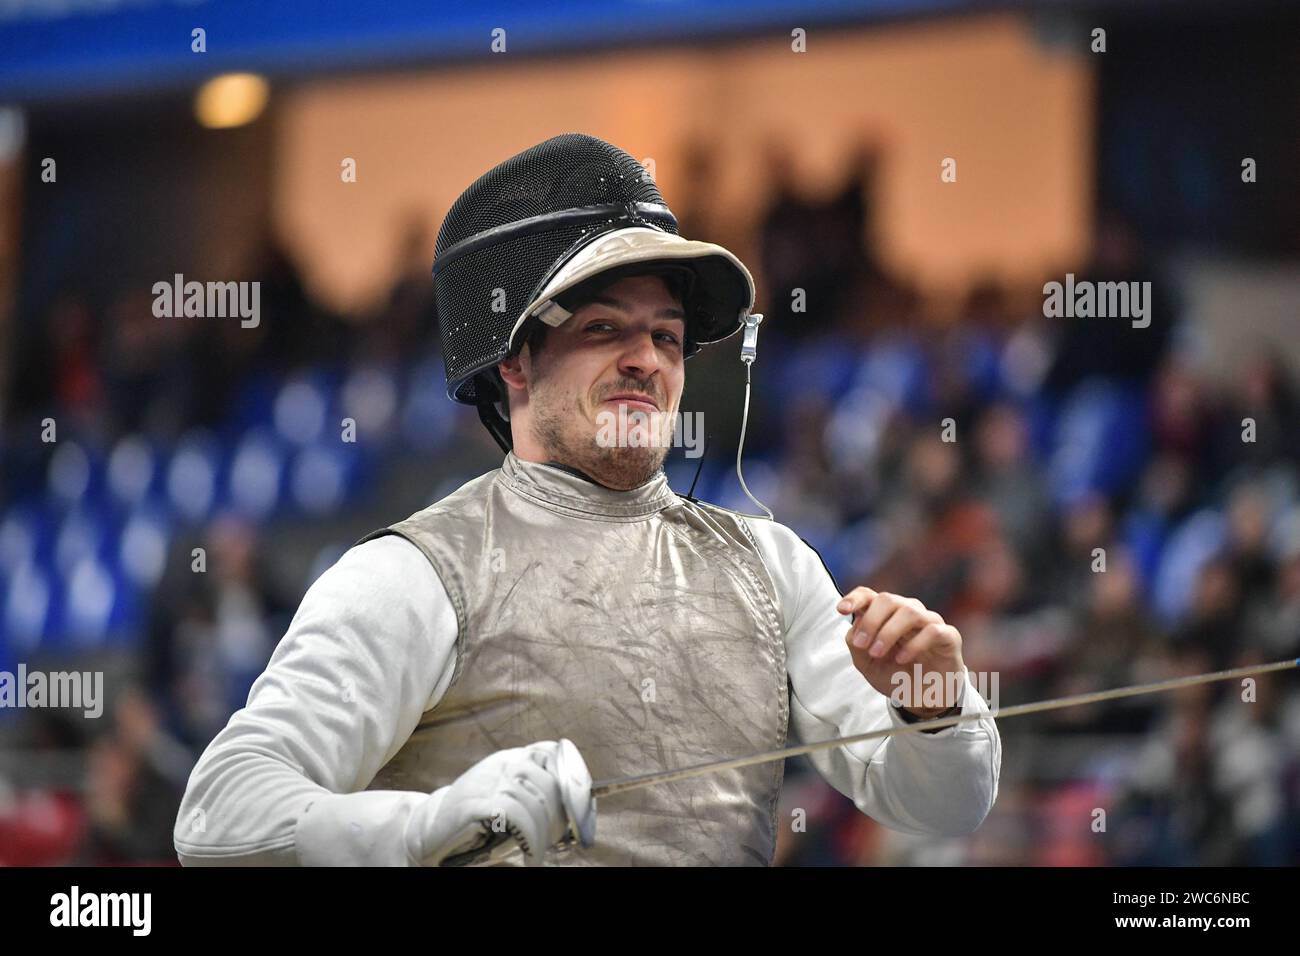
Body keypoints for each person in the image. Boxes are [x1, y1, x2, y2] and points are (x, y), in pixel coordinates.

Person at [174, 133, 1001, 866]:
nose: (647, 358)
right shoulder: (416, 575)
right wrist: (428, 828)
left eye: (668, 335)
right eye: (605, 328)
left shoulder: (771, 568)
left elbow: (943, 802)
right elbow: (220, 815)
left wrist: (931, 701)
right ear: (514, 362)